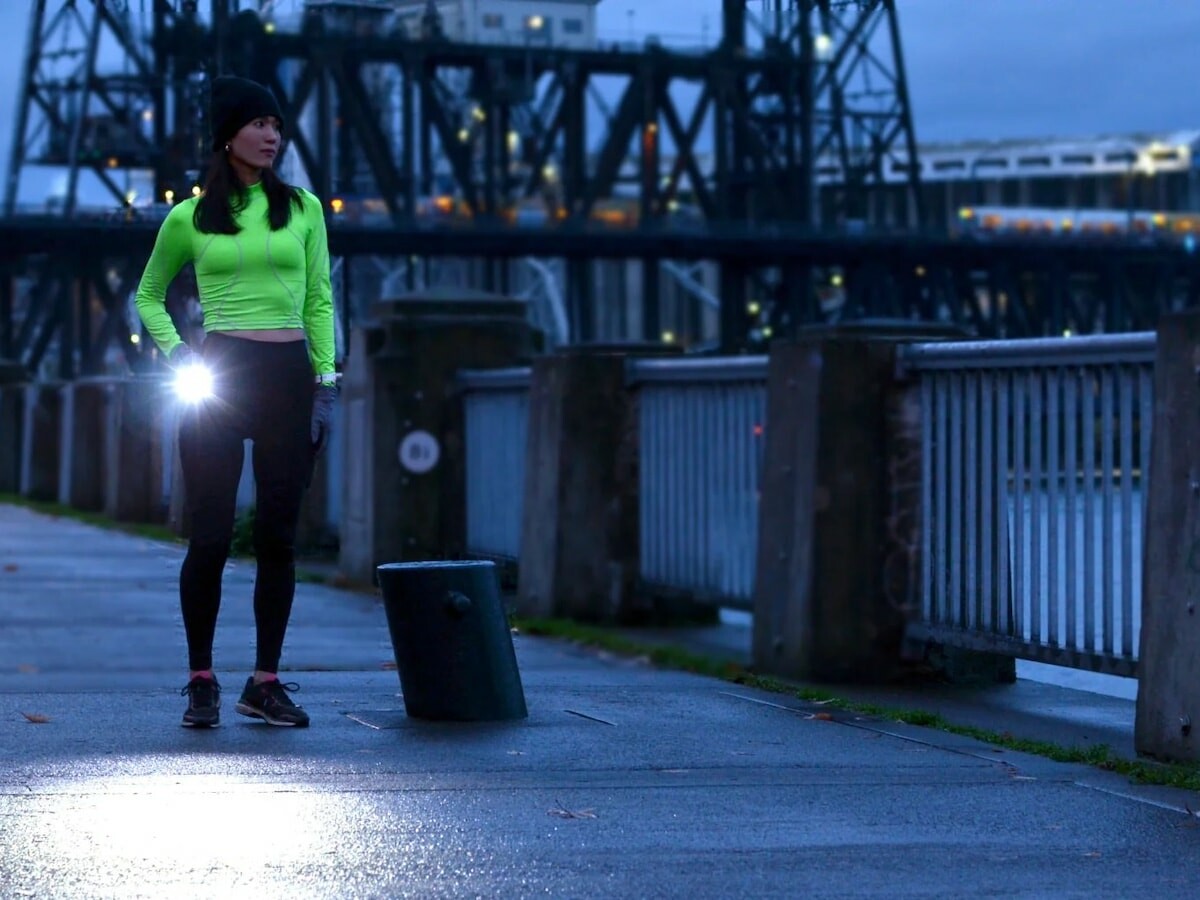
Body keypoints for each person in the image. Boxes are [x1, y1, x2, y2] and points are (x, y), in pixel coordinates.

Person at [134, 75, 338, 729]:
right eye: (258, 123)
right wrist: (179, 355)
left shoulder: (304, 208)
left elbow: (319, 300)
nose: (272, 134)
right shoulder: (188, 217)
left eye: (277, 125)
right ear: (229, 135)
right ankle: (201, 680)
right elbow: (149, 295)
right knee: (212, 536)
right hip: (219, 375)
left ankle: (265, 681)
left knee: (278, 538)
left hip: (288, 377)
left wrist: (326, 376)